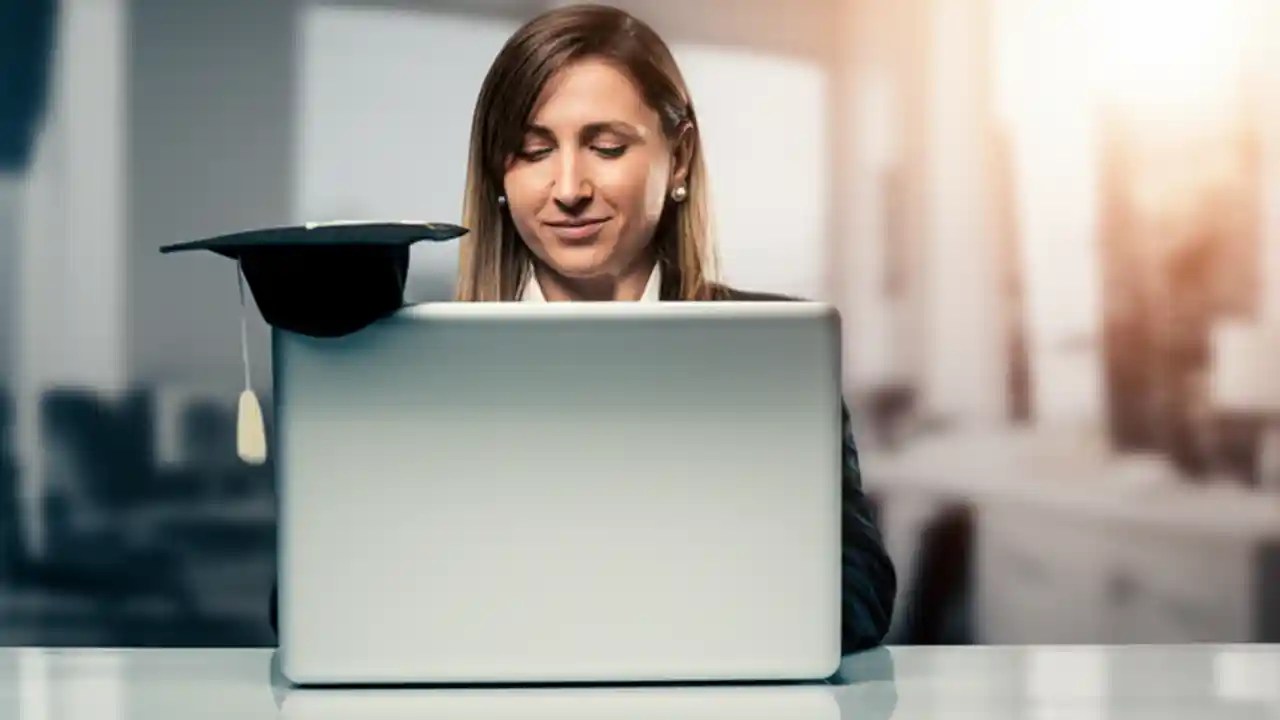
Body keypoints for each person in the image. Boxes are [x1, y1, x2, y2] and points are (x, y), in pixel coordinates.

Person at [269, 2, 896, 654]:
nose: (568, 187)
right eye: (533, 151)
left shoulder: (770, 351)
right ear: (500, 177)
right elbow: (306, 605)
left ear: (678, 160)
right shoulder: (414, 367)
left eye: (606, 147)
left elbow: (860, 600)